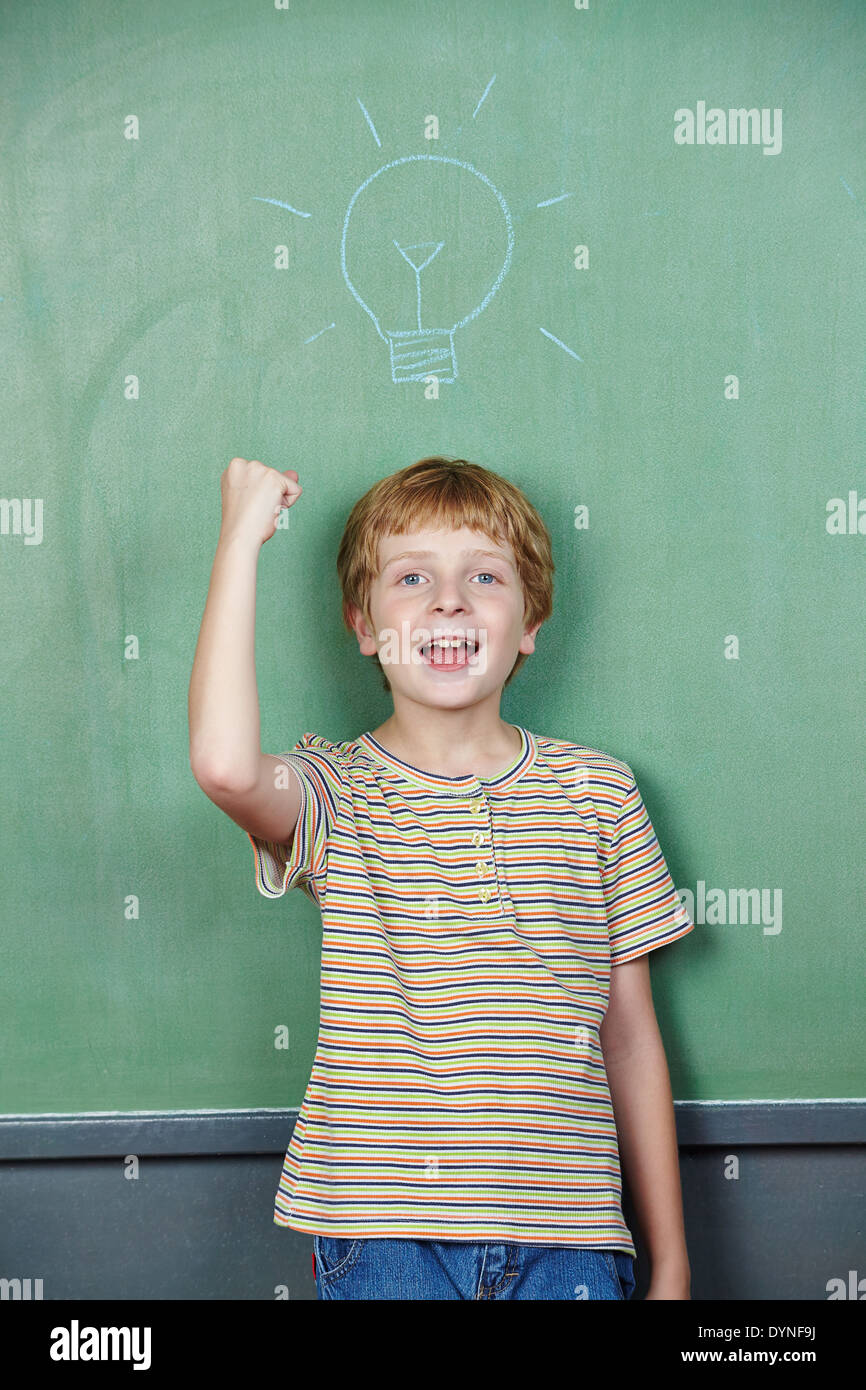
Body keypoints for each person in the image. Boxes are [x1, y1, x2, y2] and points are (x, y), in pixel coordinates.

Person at [188, 454, 695, 1301]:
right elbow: (225, 767)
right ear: (362, 624)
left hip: (569, 1234)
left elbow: (631, 1038)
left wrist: (671, 1259)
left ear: (530, 622)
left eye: (485, 576)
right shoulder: (336, 793)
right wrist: (239, 541)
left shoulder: (598, 792)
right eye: (412, 577)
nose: (448, 600)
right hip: (384, 1234)